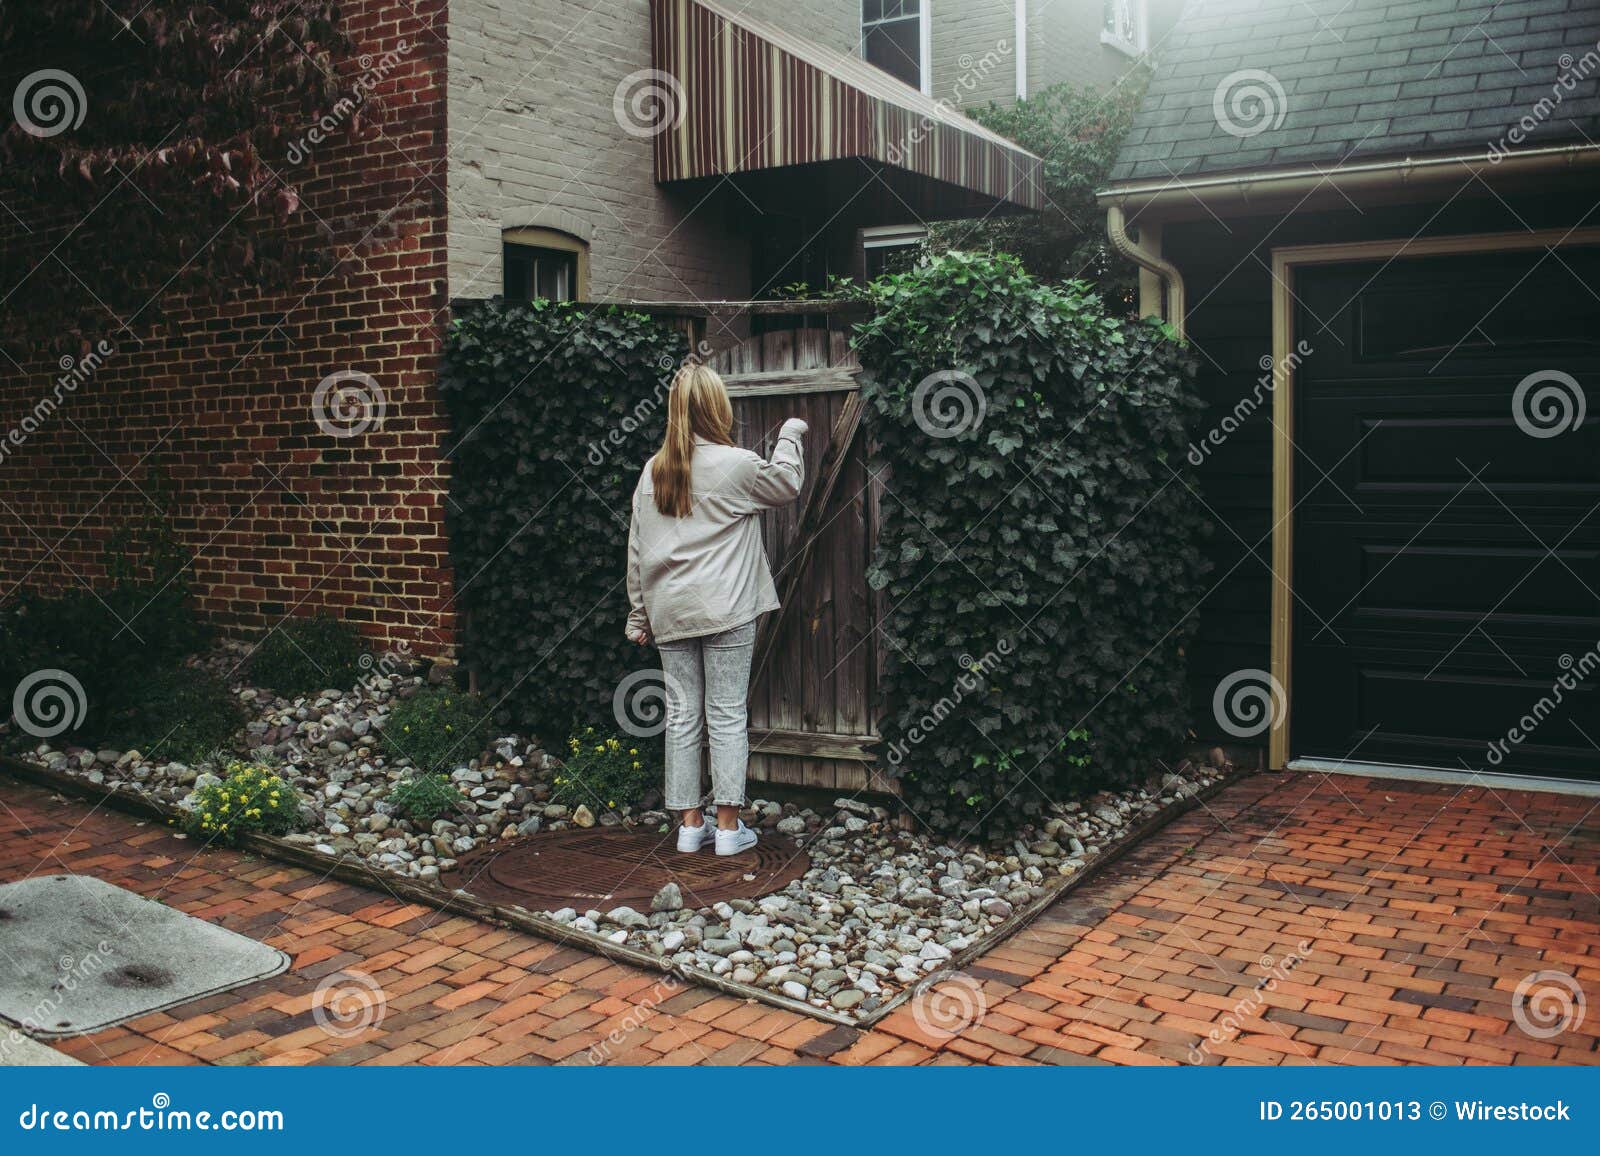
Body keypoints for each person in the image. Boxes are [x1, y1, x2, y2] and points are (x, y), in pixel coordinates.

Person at [626, 363, 807, 856]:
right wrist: (791, 432)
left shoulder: (654, 470)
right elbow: (787, 484)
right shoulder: (737, 463)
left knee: (683, 717)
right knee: (725, 716)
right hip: (726, 609)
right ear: (716, 407)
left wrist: (638, 616)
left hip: (670, 612)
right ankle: (728, 831)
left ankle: (689, 827)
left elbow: (637, 549)